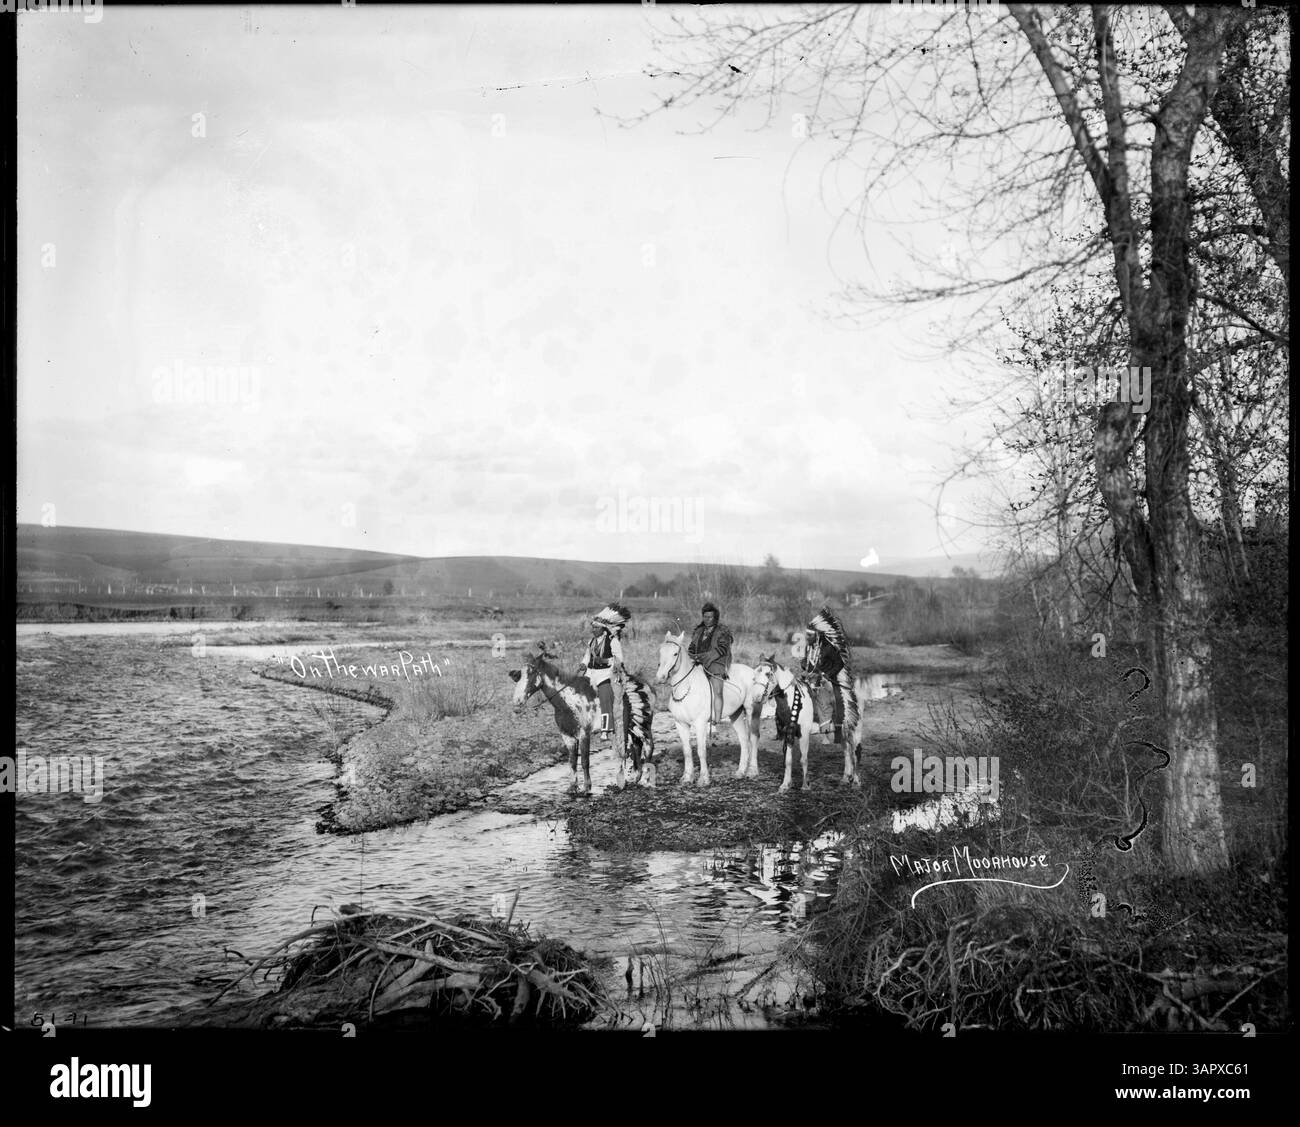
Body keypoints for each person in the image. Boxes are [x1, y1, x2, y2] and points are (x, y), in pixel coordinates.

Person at [801, 607, 857, 743]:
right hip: (810, 678)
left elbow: (839, 664)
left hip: (826, 679)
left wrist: (827, 675)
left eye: (810, 635)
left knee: (826, 702)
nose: (807, 637)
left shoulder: (828, 647)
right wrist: (804, 664)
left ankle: (828, 735)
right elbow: (808, 663)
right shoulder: (808, 647)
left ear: (817, 635)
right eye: (806, 634)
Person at [579, 603, 630, 739]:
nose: (593, 630)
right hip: (591, 673)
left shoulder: (612, 641)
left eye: (595, 627)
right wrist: (583, 664)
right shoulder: (592, 641)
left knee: (605, 698)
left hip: (606, 674)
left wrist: (606, 661)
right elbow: (587, 656)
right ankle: (587, 724)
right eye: (592, 627)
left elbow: (619, 660)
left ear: (603, 629)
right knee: (581, 696)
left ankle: (606, 730)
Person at [688, 601, 733, 727]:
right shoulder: (698, 631)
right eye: (705, 617)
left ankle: (717, 718)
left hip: (716, 662)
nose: (707, 619)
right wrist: (693, 655)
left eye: (710, 617)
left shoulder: (722, 631)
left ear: (715, 618)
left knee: (717, 691)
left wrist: (706, 657)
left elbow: (723, 648)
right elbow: (691, 646)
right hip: (697, 661)